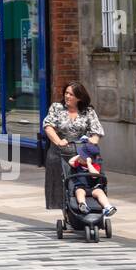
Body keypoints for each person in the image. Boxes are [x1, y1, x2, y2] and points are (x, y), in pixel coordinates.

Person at [42, 81, 106, 211]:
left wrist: (92, 140)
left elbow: (97, 131)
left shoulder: (88, 111)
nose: (67, 96)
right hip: (58, 153)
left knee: (79, 184)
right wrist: (58, 141)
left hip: (79, 154)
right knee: (60, 188)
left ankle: (82, 209)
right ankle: (67, 214)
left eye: (71, 94)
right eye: (66, 93)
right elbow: (48, 126)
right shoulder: (57, 108)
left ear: (79, 97)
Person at [67, 142, 117, 216]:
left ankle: (107, 207)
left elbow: (94, 176)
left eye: (81, 156)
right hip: (81, 186)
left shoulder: (95, 165)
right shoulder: (78, 164)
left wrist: (89, 164)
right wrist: (79, 155)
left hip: (93, 187)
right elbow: (70, 161)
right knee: (79, 192)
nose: (79, 158)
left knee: (100, 192)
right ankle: (82, 204)